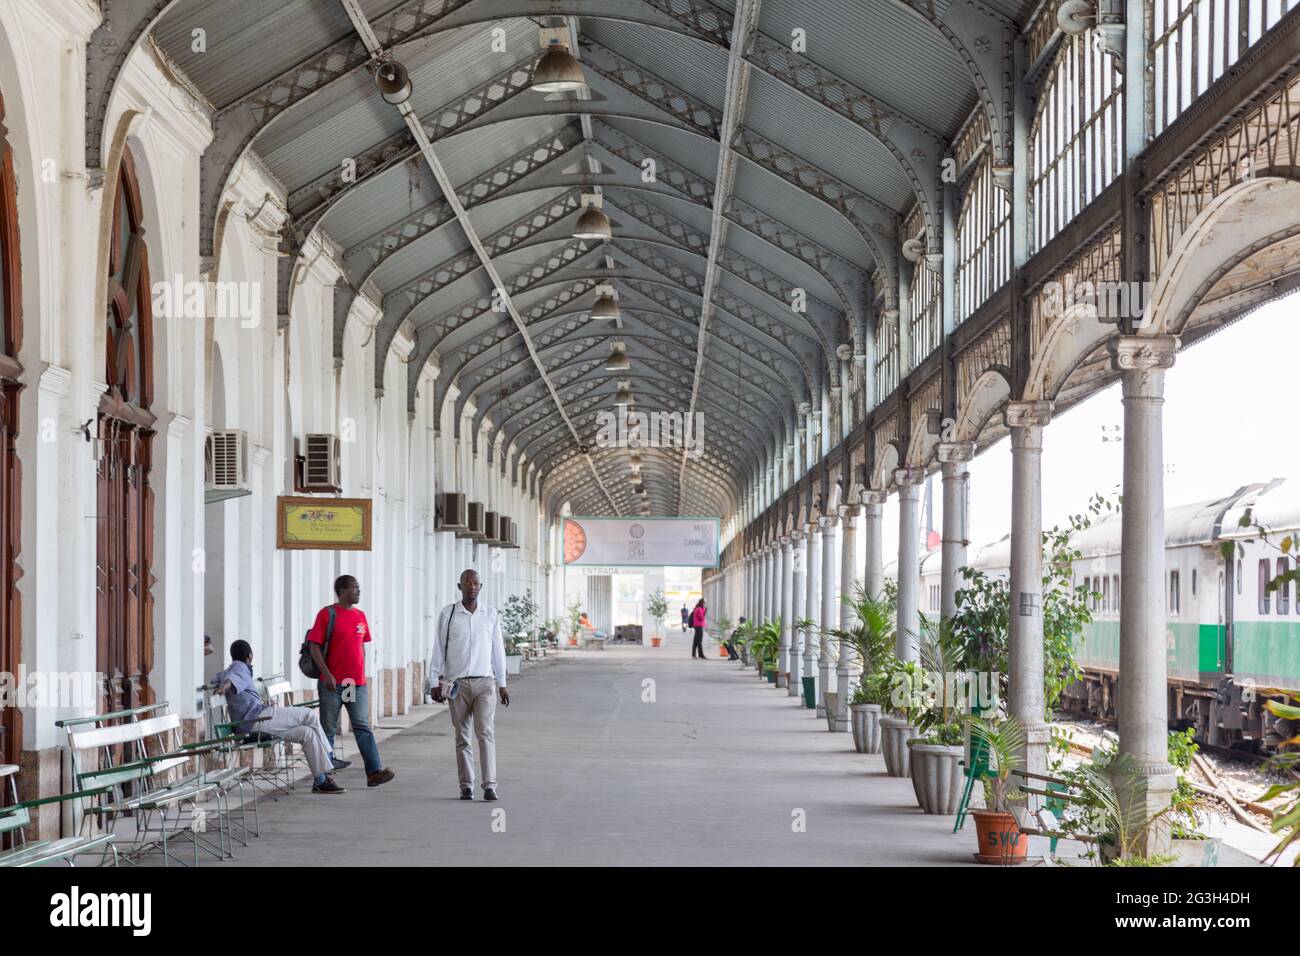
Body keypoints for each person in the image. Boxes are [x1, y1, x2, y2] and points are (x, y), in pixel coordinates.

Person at [213, 640, 346, 794]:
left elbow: (220, 678)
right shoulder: (240, 667)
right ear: (250, 656)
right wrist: (225, 686)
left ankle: (321, 781)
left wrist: (220, 684)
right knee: (308, 715)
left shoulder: (231, 668)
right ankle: (330, 757)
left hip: (254, 721)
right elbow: (232, 678)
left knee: (307, 733)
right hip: (257, 718)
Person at [428, 569, 510, 801]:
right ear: (459, 586)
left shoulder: (490, 614)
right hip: (457, 685)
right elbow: (438, 649)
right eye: (467, 582)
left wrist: (502, 683)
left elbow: (498, 650)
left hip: (485, 682)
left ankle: (490, 785)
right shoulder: (449, 614)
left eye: (476, 583)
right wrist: (435, 680)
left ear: (481, 587)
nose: (472, 586)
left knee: (485, 732)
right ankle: (466, 785)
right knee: (462, 736)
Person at [307, 574, 395, 788]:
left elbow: (360, 647)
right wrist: (326, 673)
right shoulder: (327, 614)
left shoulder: (360, 616)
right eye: (355, 588)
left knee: (362, 726)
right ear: (342, 591)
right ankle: (322, 777)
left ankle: (374, 771)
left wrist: (361, 674)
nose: (358, 591)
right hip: (332, 684)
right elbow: (314, 645)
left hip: (353, 684)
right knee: (328, 729)